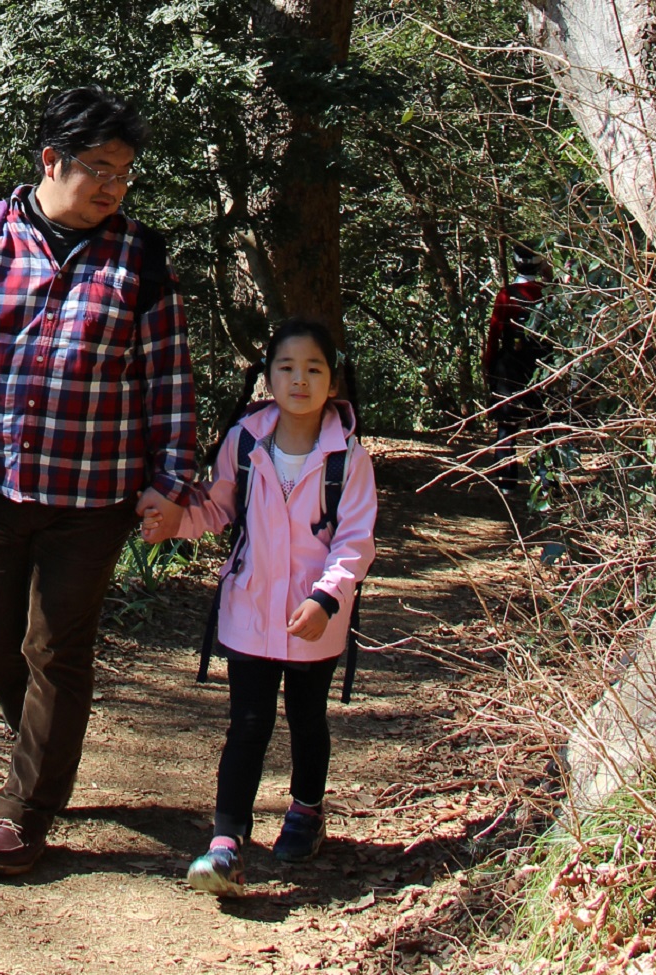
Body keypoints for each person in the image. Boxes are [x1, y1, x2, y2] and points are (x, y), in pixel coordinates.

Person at [0, 86, 198, 877]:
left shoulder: (140, 260)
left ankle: (26, 813)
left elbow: (168, 385)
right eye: (98, 168)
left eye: (124, 171)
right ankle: (47, 756)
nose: (113, 186)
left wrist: (172, 482)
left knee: (58, 649)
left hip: (94, 499)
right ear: (50, 160)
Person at [141, 320, 376, 896]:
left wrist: (326, 598)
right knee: (247, 723)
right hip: (248, 610)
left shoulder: (348, 455)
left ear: (332, 379)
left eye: (314, 369)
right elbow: (218, 509)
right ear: (267, 376)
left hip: (313, 619)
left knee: (306, 718)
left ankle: (305, 811)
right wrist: (173, 521)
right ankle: (226, 842)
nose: (300, 380)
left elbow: (355, 542)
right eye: (287, 368)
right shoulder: (245, 441)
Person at [483, 242, 554, 491]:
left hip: (509, 367)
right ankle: (545, 478)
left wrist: (489, 366)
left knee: (507, 423)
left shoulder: (506, 294)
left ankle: (506, 480)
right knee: (542, 423)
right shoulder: (548, 293)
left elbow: (494, 334)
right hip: (541, 366)